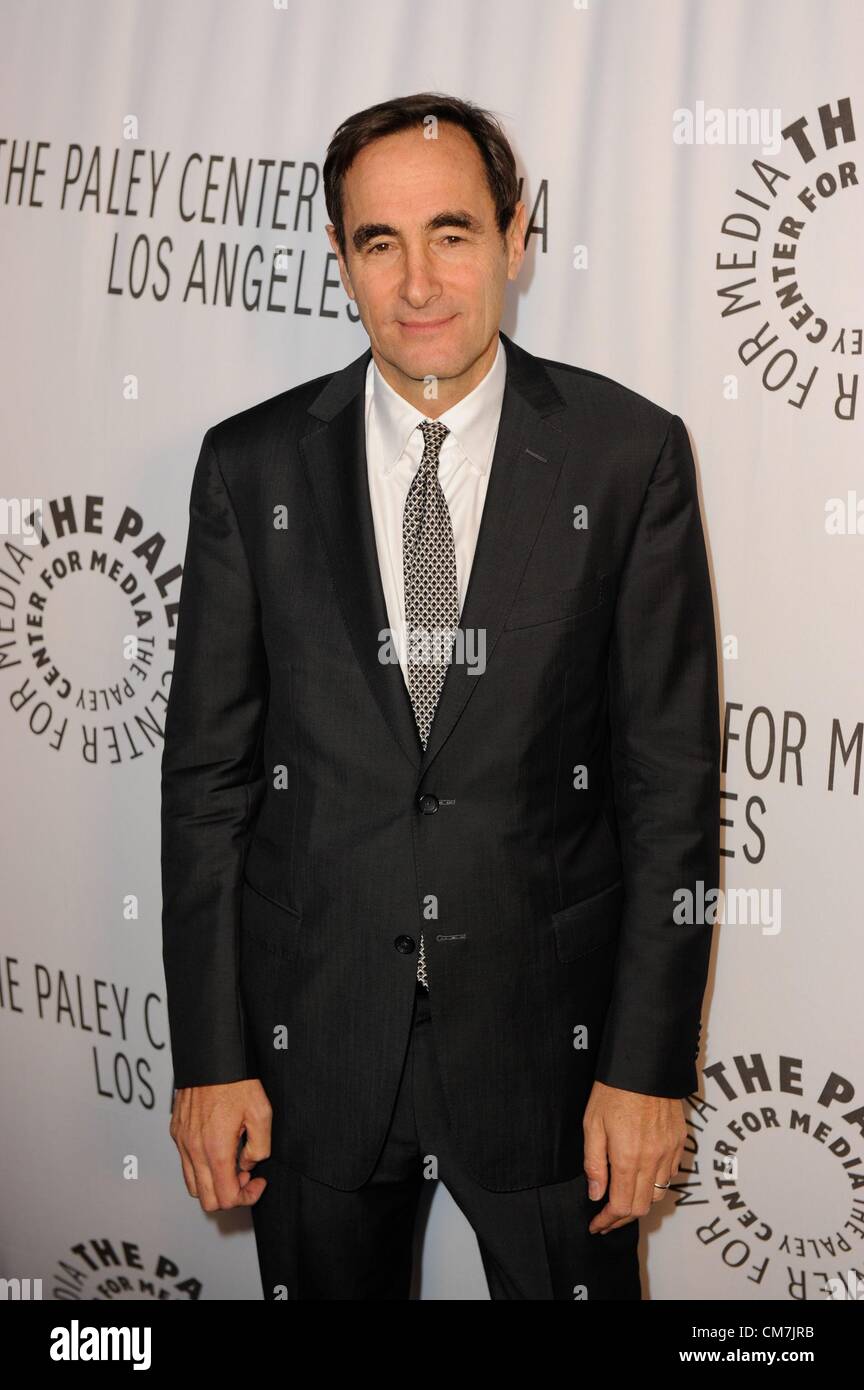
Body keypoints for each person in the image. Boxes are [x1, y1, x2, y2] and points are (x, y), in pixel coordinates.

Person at [161, 92, 720, 1301]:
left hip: (556, 1057)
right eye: (379, 242)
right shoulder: (249, 465)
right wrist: (210, 1054)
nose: (419, 281)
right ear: (340, 259)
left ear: (517, 239)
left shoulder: (628, 460)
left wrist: (647, 1068)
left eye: (454, 233)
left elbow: (669, 793)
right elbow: (206, 786)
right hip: (314, 1047)